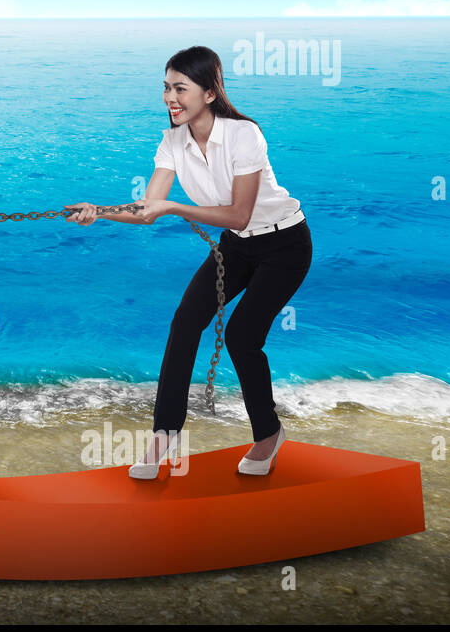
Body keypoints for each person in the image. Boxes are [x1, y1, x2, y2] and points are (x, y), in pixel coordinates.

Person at [63, 46, 312, 478]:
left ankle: (268, 434)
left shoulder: (243, 134)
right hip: (236, 246)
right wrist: (97, 211)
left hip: (284, 245)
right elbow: (148, 210)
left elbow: (239, 213)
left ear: (210, 92)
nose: (169, 98)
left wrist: (175, 208)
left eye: (180, 88)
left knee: (242, 337)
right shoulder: (172, 141)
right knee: (184, 322)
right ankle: (165, 435)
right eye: (166, 87)